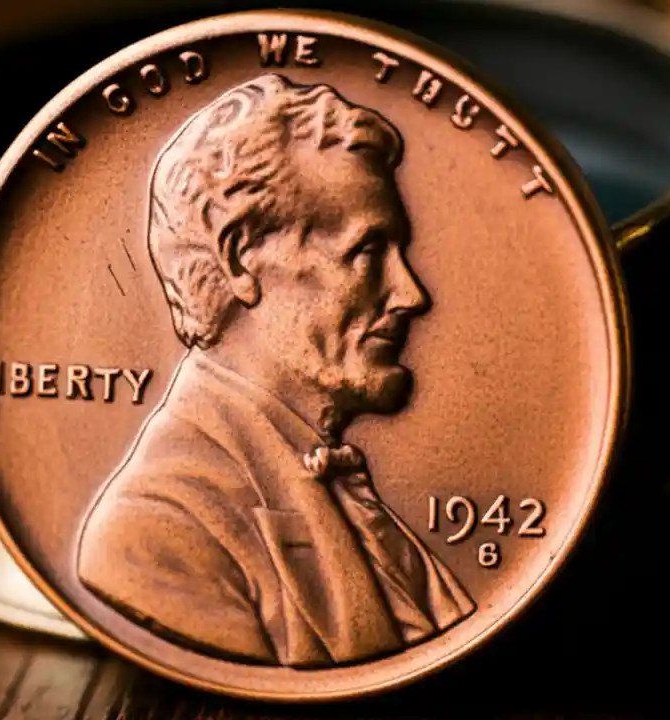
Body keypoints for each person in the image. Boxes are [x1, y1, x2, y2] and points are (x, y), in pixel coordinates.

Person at [77, 73, 474, 668]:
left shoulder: (337, 482)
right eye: (367, 252)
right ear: (241, 259)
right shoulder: (155, 534)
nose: (411, 293)